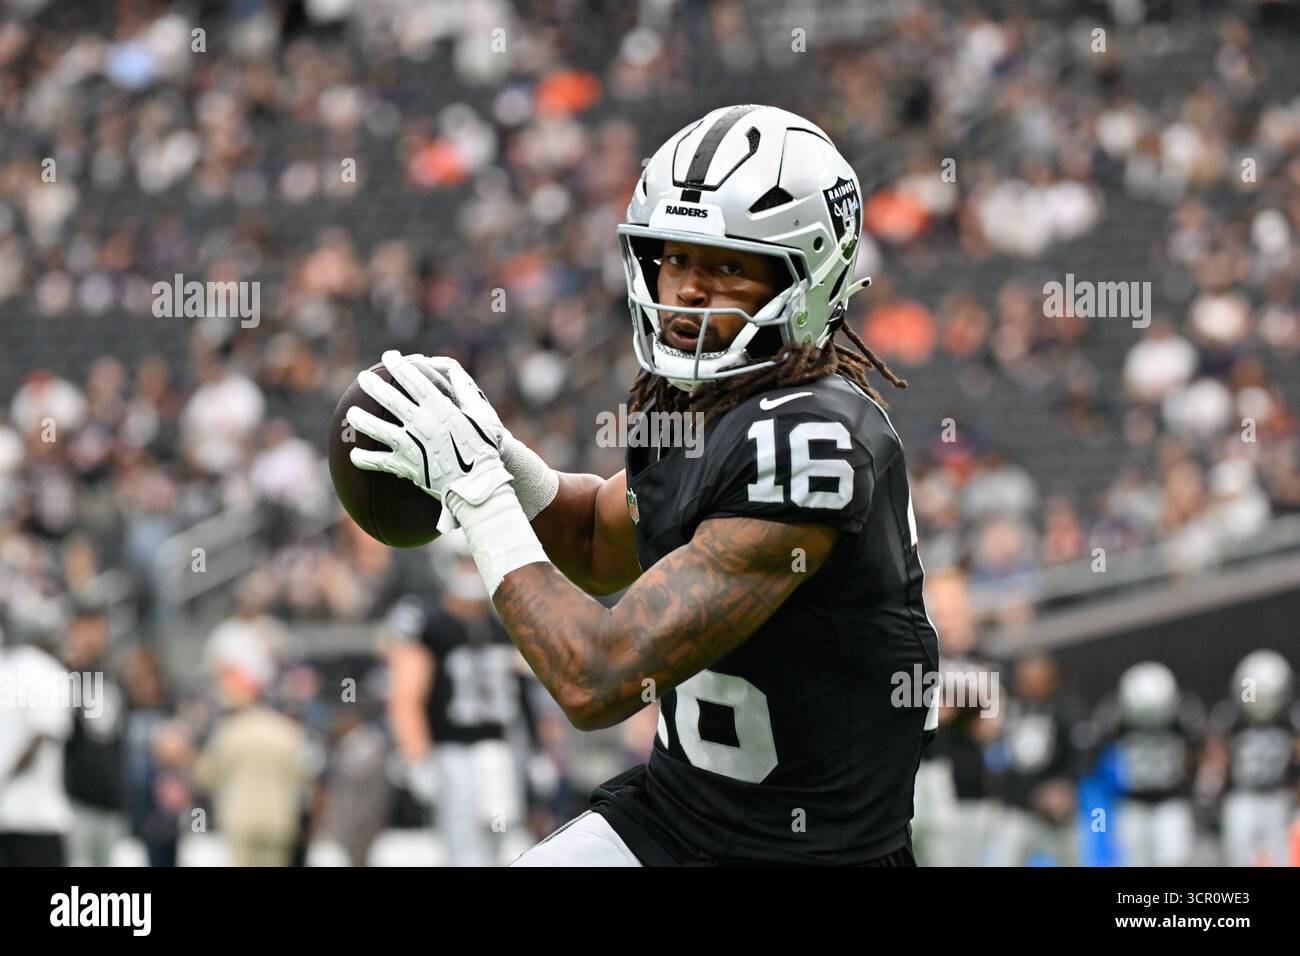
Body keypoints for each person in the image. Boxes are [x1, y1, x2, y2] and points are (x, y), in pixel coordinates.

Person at [347, 105, 940, 865]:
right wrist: (501, 458)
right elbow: (598, 540)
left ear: (809, 276)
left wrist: (476, 493)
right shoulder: (698, 406)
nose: (688, 290)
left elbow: (597, 676)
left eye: (727, 265)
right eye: (675, 257)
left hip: (813, 854)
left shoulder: (814, 443)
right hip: (676, 817)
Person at [383, 534, 533, 866]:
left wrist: (537, 750)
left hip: (501, 752)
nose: (470, 569)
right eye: (463, 560)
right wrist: (417, 757)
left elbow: (526, 693)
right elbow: (406, 698)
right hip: (452, 753)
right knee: (463, 848)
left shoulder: (501, 622)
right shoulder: (428, 622)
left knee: (504, 845)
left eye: (474, 560)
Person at [0, 619, 75, 866]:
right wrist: (8, 773)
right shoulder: (48, 671)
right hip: (37, 816)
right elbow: (42, 734)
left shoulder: (6, 668)